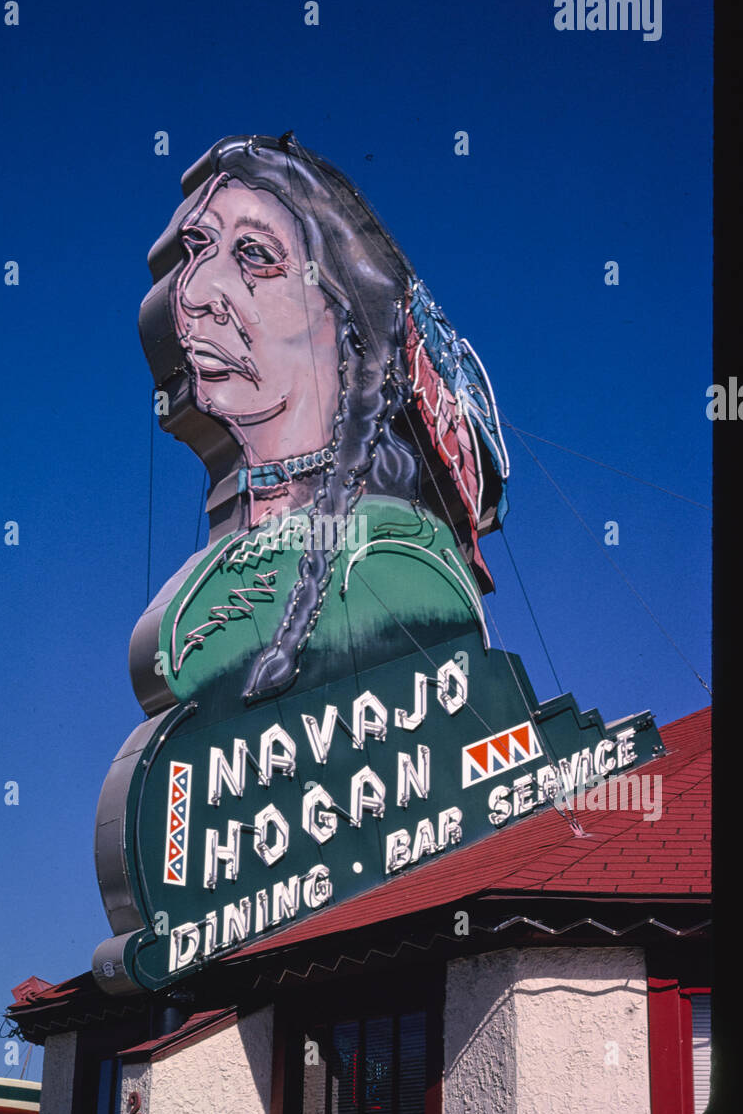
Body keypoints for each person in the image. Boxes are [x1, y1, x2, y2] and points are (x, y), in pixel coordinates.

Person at [133, 132, 510, 707]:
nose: (196, 293)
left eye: (256, 256)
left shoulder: (391, 554)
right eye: (199, 247)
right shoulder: (228, 586)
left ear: (346, 314)